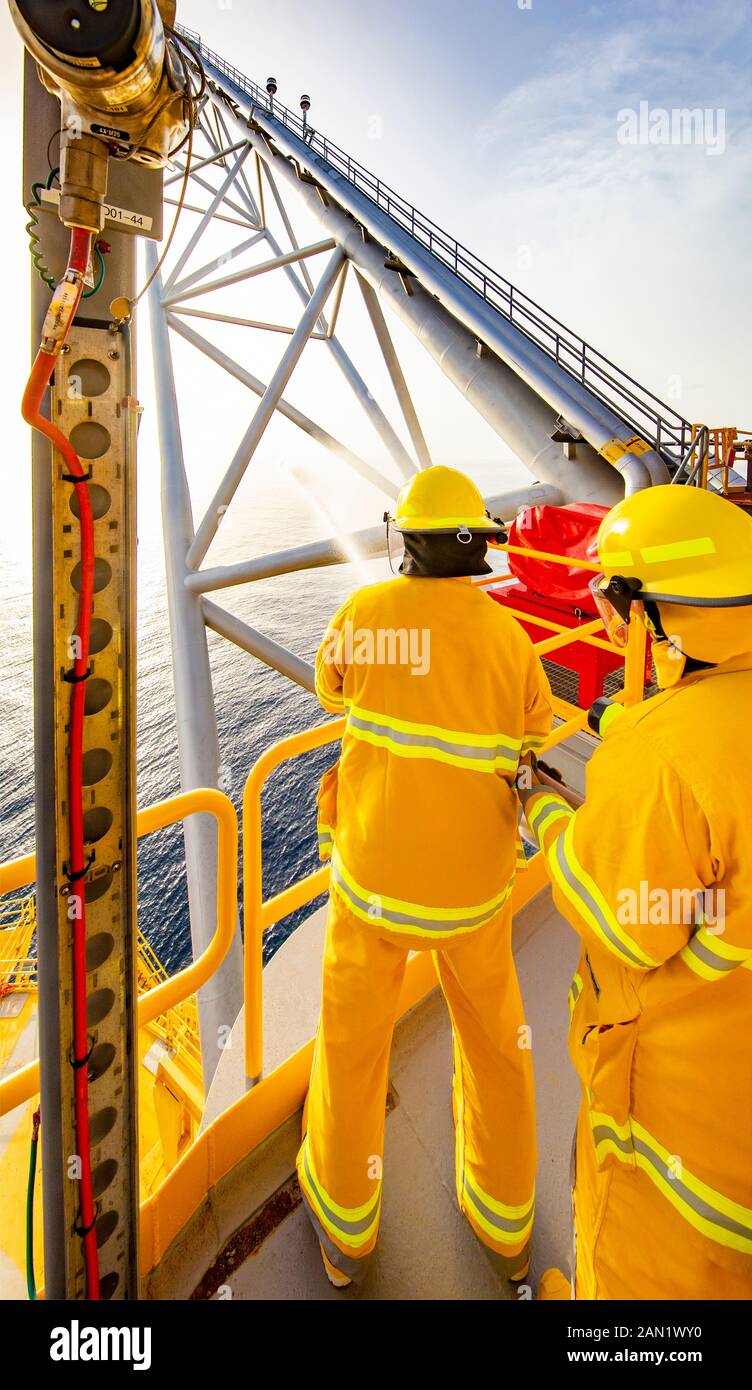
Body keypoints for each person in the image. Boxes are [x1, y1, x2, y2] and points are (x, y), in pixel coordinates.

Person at [297, 465, 553, 1287]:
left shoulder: (366, 615)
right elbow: (536, 737)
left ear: (403, 540)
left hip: (372, 885)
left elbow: (329, 685)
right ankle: (506, 1226)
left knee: (349, 1049)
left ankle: (347, 1238)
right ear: (475, 548)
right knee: (499, 1049)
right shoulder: (510, 641)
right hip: (473, 895)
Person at [520, 484, 752, 1300]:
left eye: (617, 608)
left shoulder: (665, 759)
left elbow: (619, 923)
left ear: (658, 617)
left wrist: (548, 812)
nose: (612, 629)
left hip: (692, 1173)